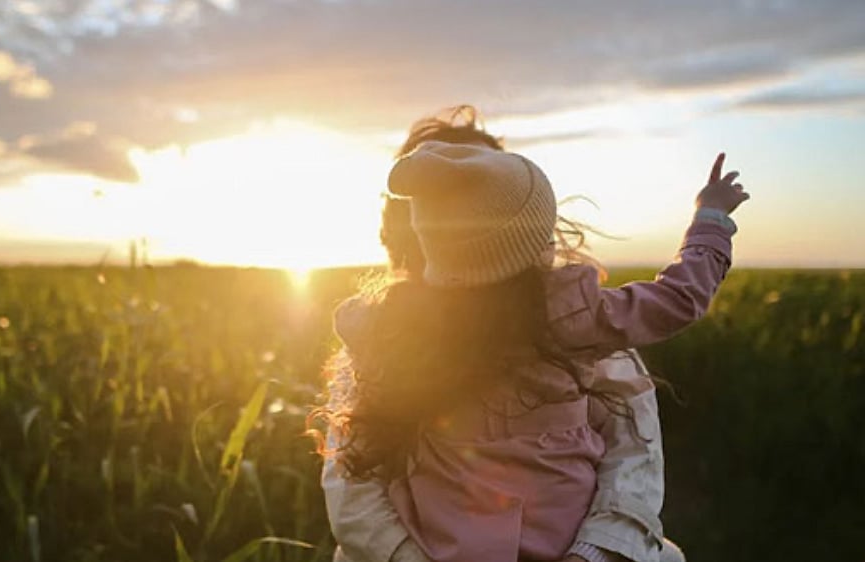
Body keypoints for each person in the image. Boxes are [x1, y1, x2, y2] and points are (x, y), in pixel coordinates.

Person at [316, 106, 743, 561]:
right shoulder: (574, 318)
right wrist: (709, 221)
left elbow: (631, 462)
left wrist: (590, 555)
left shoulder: (574, 328)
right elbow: (353, 488)